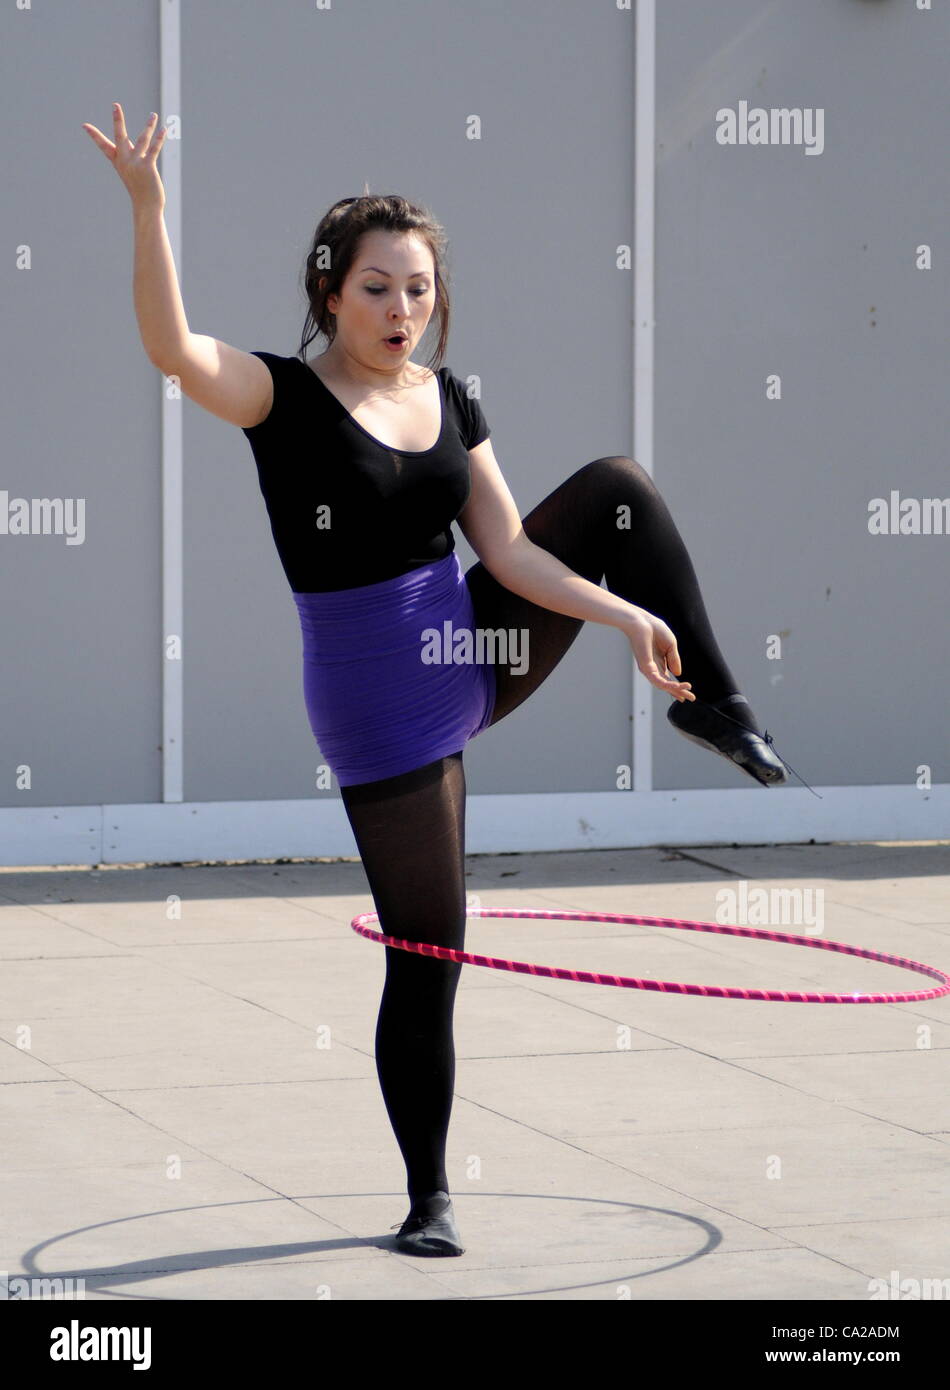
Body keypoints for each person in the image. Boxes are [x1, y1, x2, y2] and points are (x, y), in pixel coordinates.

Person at [83, 104, 788, 1260]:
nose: (400, 310)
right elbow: (171, 350)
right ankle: (427, 1195)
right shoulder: (282, 400)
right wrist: (149, 206)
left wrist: (622, 617)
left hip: (471, 644)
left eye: (416, 289)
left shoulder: (451, 396)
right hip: (377, 696)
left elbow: (507, 552)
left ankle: (719, 702)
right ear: (327, 294)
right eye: (375, 288)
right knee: (430, 952)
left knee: (619, 486)